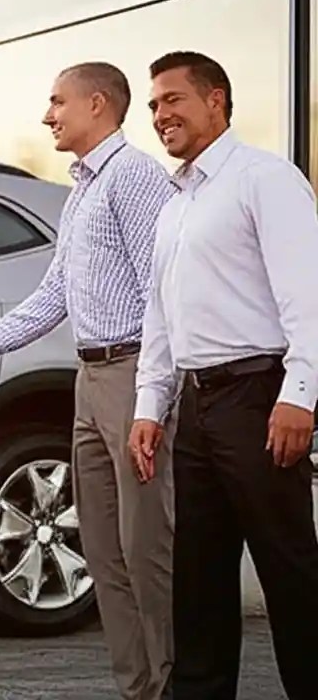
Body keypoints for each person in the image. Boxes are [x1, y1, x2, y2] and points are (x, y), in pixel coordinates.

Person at [0, 62, 177, 700]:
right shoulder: (83, 190)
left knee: (145, 550)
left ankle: (175, 685)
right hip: (91, 380)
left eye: (57, 102)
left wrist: (152, 398)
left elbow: (163, 297)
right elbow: (51, 297)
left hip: (134, 376)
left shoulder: (135, 178)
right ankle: (139, 688)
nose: (47, 116)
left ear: (98, 105)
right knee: (101, 548)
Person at [128, 50, 318, 700]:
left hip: (259, 397)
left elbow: (308, 295)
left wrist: (300, 394)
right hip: (197, 404)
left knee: (291, 573)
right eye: (154, 104)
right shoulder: (175, 204)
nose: (160, 115)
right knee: (199, 582)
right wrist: (149, 406)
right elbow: (160, 314)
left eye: (172, 99)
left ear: (216, 100)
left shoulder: (266, 178)